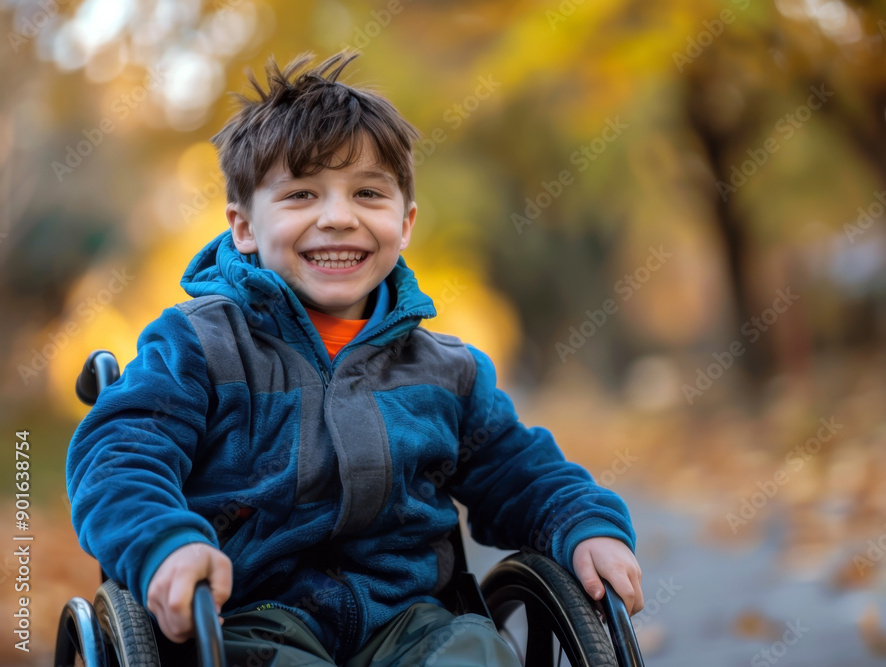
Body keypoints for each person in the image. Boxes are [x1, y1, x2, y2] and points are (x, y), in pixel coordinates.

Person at [66, 51, 643, 666]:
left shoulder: (448, 372)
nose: (338, 218)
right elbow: (119, 459)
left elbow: (521, 471)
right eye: (301, 194)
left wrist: (585, 524)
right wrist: (165, 544)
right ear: (244, 227)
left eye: (368, 193)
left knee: (474, 651)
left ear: (405, 221)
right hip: (246, 619)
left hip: (407, 620)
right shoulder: (199, 346)